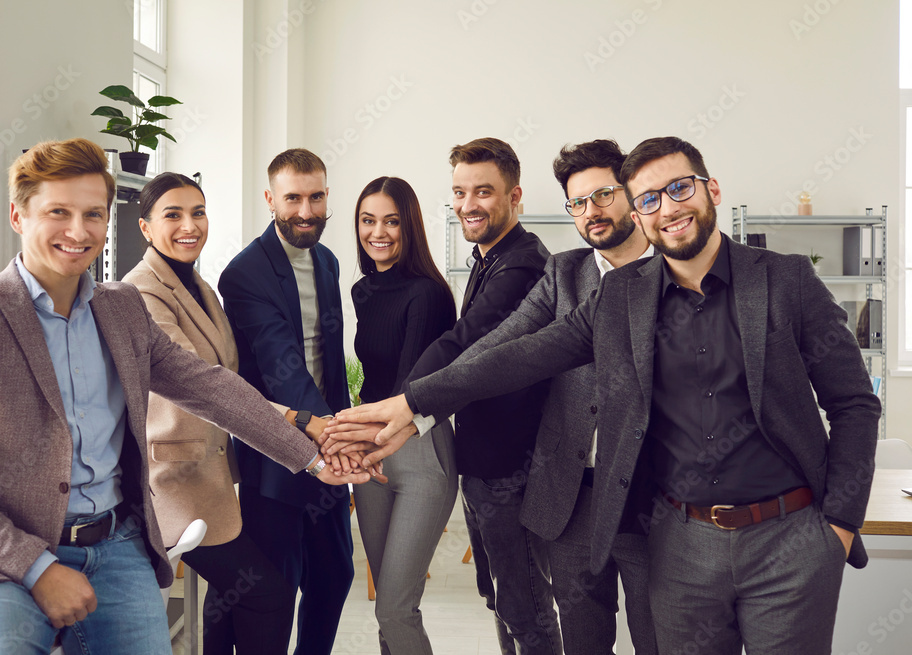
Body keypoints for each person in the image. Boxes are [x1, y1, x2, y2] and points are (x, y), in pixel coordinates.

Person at [332, 136, 881, 655]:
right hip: (681, 538)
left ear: (712, 190)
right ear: (640, 213)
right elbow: (514, 354)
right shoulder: (622, 296)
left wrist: (838, 524)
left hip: (784, 536)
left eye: (679, 189)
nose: (667, 208)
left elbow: (854, 402)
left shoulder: (785, 281)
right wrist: (414, 403)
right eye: (649, 199)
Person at [0, 138, 368, 655]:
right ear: (18, 216)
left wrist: (312, 458)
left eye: (92, 214)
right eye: (57, 212)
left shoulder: (122, 309)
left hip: (115, 547)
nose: (77, 231)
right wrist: (37, 568)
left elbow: (210, 387)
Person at [331, 137, 563, 654]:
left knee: (521, 605)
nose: (469, 204)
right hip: (475, 456)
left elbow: (464, 342)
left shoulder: (521, 263)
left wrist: (402, 407)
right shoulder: (487, 258)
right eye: (460, 191)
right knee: (499, 598)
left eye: (484, 191)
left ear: (515, 195)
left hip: (506, 462)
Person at [123, 171, 344, 654]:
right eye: (173, 215)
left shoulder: (198, 286)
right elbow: (208, 387)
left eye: (198, 212)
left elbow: (231, 381)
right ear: (144, 227)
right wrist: (303, 422)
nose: (190, 225)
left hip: (215, 477)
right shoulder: (140, 292)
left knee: (234, 597)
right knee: (267, 596)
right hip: (173, 484)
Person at [458, 139, 657, 655]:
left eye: (604, 195)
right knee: (581, 640)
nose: (591, 211)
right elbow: (498, 351)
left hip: (650, 500)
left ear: (632, 193)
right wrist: (410, 406)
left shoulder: (674, 273)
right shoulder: (563, 272)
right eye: (578, 202)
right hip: (571, 497)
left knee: (661, 639)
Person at [217, 148, 353, 654]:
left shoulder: (327, 261)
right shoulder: (245, 273)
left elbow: (329, 361)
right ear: (271, 199)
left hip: (331, 447)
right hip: (276, 455)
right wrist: (334, 438)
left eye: (316, 196)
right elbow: (282, 367)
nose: (306, 210)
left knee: (334, 576)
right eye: (293, 198)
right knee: (276, 588)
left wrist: (342, 431)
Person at [349, 176, 458, 654]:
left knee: (396, 605)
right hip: (371, 453)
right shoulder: (361, 290)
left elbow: (408, 386)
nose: (379, 232)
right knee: (385, 608)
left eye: (391, 221)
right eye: (368, 220)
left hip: (420, 452)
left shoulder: (429, 293)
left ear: (409, 225)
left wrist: (357, 433)